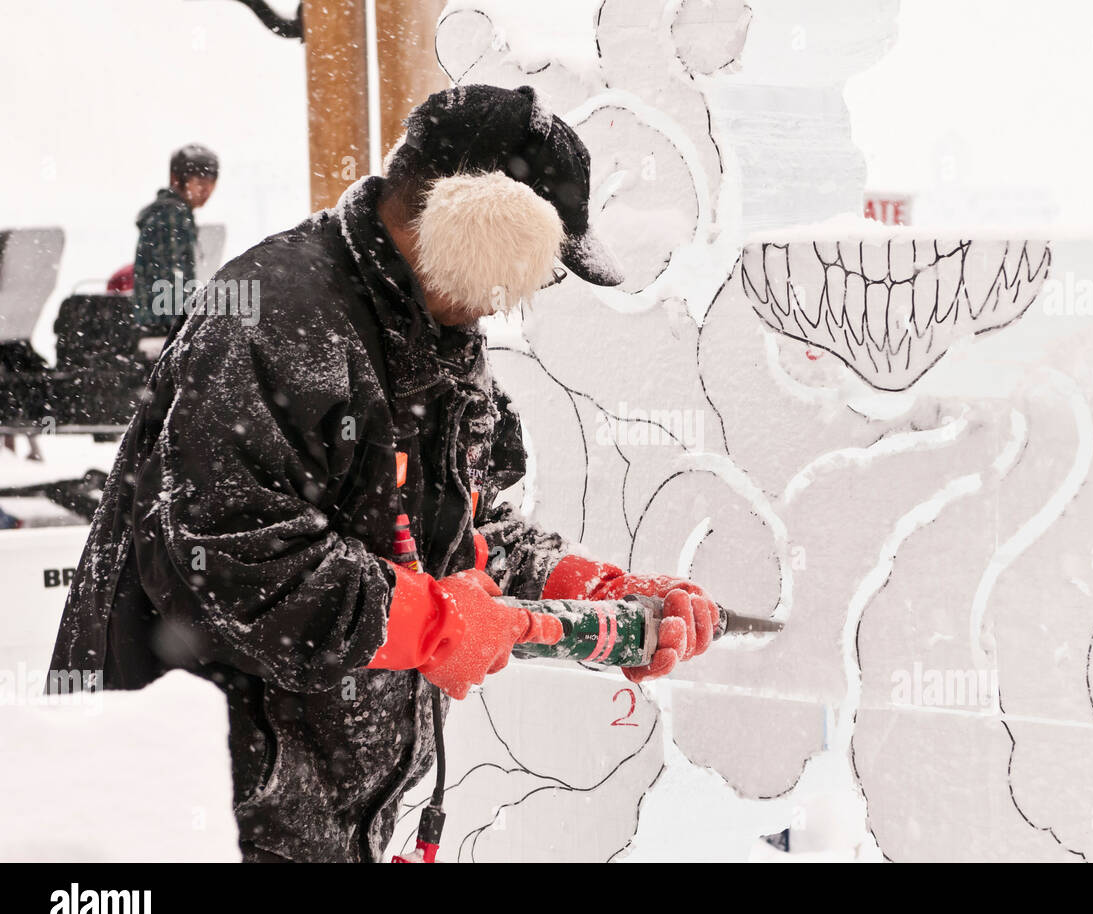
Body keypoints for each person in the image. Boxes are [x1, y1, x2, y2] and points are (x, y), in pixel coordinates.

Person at [48, 85, 719, 862]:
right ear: (484, 225)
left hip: (318, 813)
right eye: (540, 262)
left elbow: (455, 527)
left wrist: (577, 587)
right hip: (188, 816)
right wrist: (432, 624)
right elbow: (236, 563)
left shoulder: (433, 337)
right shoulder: (275, 315)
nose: (528, 294)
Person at [132, 144, 219, 332]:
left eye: (211, 181)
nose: (206, 188)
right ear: (176, 179)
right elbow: (173, 280)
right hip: (164, 327)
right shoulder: (173, 215)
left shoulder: (170, 212)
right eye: (198, 180)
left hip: (154, 323)